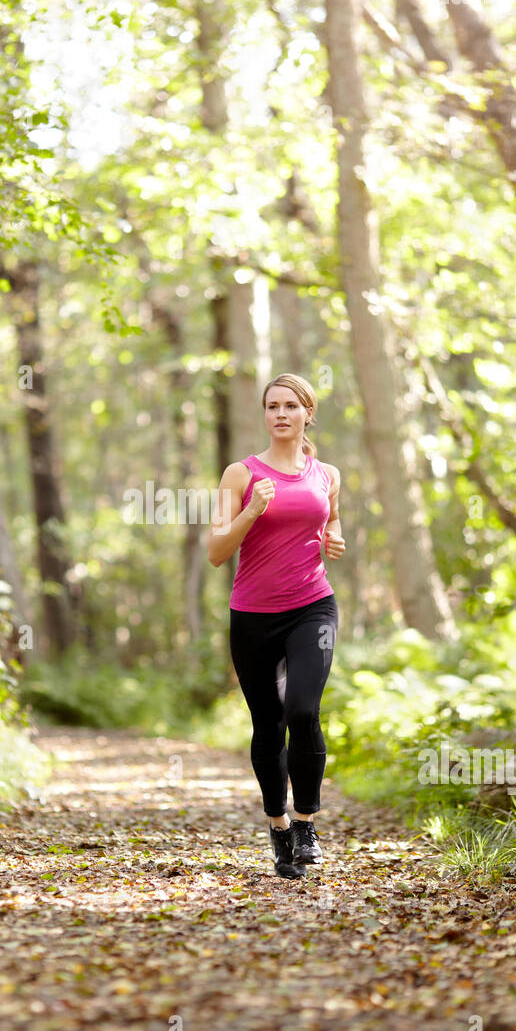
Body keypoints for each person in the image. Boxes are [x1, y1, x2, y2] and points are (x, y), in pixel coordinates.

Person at [207, 373, 345, 879]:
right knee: (268, 724)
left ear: (308, 413)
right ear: (264, 414)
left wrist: (334, 536)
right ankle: (278, 826)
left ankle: (306, 824)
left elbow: (330, 520)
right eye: (272, 406)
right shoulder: (238, 476)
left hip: (312, 607)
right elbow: (217, 553)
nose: (280, 414)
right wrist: (254, 511)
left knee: (304, 710)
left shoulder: (327, 474)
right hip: (252, 616)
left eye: (291, 406)